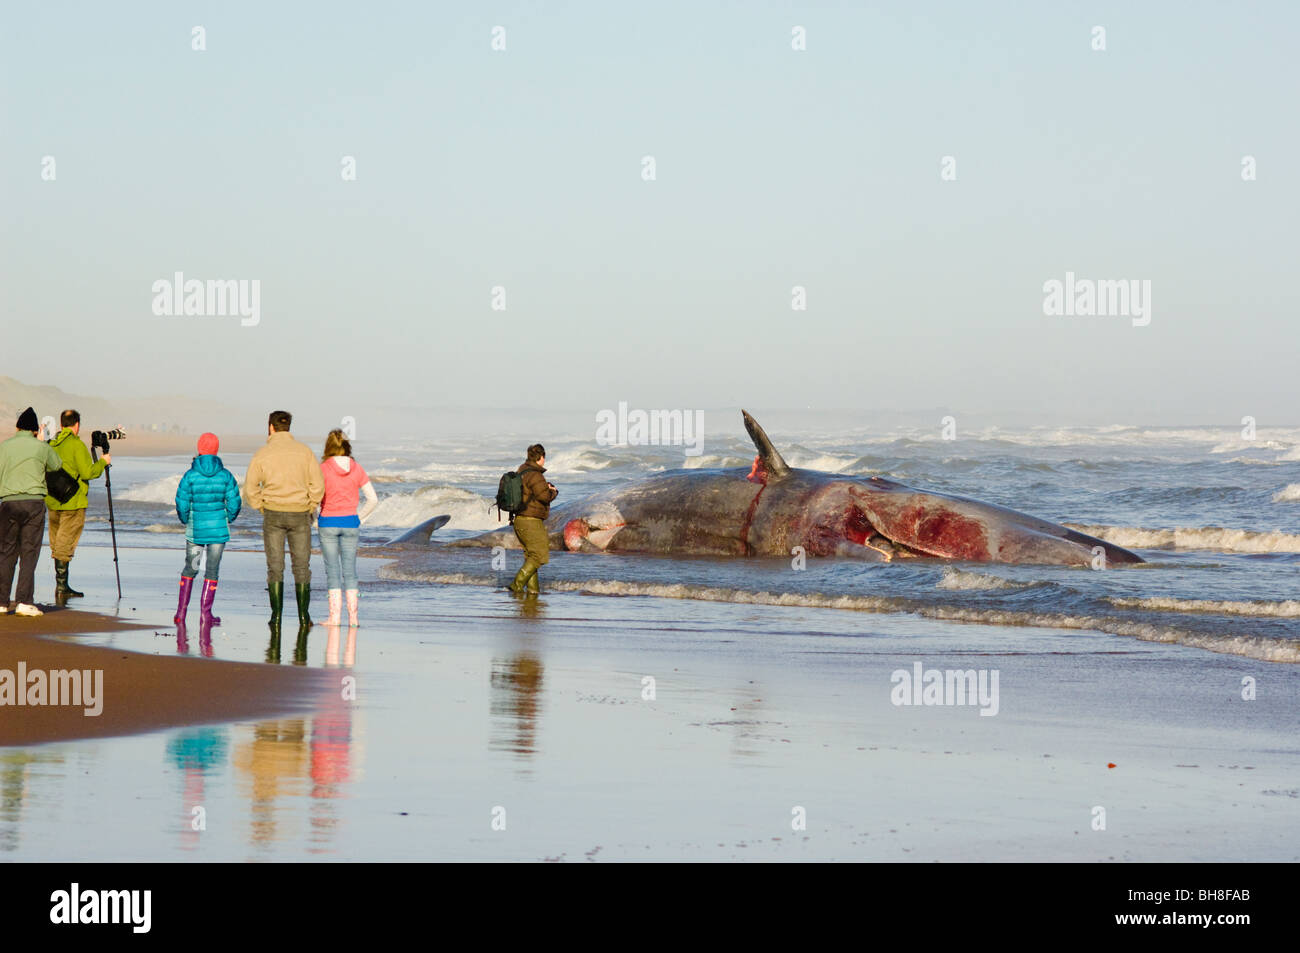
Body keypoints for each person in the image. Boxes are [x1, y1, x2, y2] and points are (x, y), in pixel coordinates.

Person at [243, 410, 323, 631]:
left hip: (273, 512)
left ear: (271, 427)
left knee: (275, 567)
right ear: (288, 427)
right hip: (299, 513)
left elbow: (250, 488)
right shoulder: (304, 452)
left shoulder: (263, 453)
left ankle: (276, 617)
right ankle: (303, 616)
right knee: (302, 566)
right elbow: (318, 485)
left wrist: (261, 506)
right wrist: (310, 505)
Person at [0, 408, 66, 616]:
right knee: (29, 552)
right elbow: (56, 465)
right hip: (34, 503)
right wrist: (41, 441)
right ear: (34, 429)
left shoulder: (5, 446)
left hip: (8, 502)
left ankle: (1, 602)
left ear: (17, 427)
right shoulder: (40, 446)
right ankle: (24, 601)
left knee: (6, 553)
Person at [173, 433, 241, 626]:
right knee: (212, 570)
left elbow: (182, 501)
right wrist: (229, 518)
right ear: (216, 450)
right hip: (218, 532)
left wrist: (185, 519)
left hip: (195, 532)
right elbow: (235, 501)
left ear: (199, 449)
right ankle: (205, 614)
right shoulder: (226, 475)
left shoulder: (190, 475)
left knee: (191, 567)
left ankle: (181, 613)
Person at [43, 409, 110, 599]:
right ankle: (62, 586)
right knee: (65, 544)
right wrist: (103, 462)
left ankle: (62, 584)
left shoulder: (51, 444)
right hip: (73, 501)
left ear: (61, 424)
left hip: (53, 500)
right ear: (77, 425)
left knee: (57, 542)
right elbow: (88, 472)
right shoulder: (76, 445)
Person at [317, 429, 378, 626]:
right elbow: (373, 499)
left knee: (332, 570)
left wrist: (314, 517)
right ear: (347, 446)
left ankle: (334, 618)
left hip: (328, 523)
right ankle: (354, 618)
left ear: (328, 447)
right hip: (351, 523)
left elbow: (315, 497)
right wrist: (358, 518)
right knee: (350, 571)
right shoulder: (356, 468)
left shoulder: (324, 468)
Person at [509, 443, 558, 594]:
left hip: (519, 519)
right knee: (539, 555)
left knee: (530, 556)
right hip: (531, 521)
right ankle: (516, 585)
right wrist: (553, 491)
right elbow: (544, 497)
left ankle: (532, 591)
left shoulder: (521, 470)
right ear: (541, 457)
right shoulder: (535, 475)